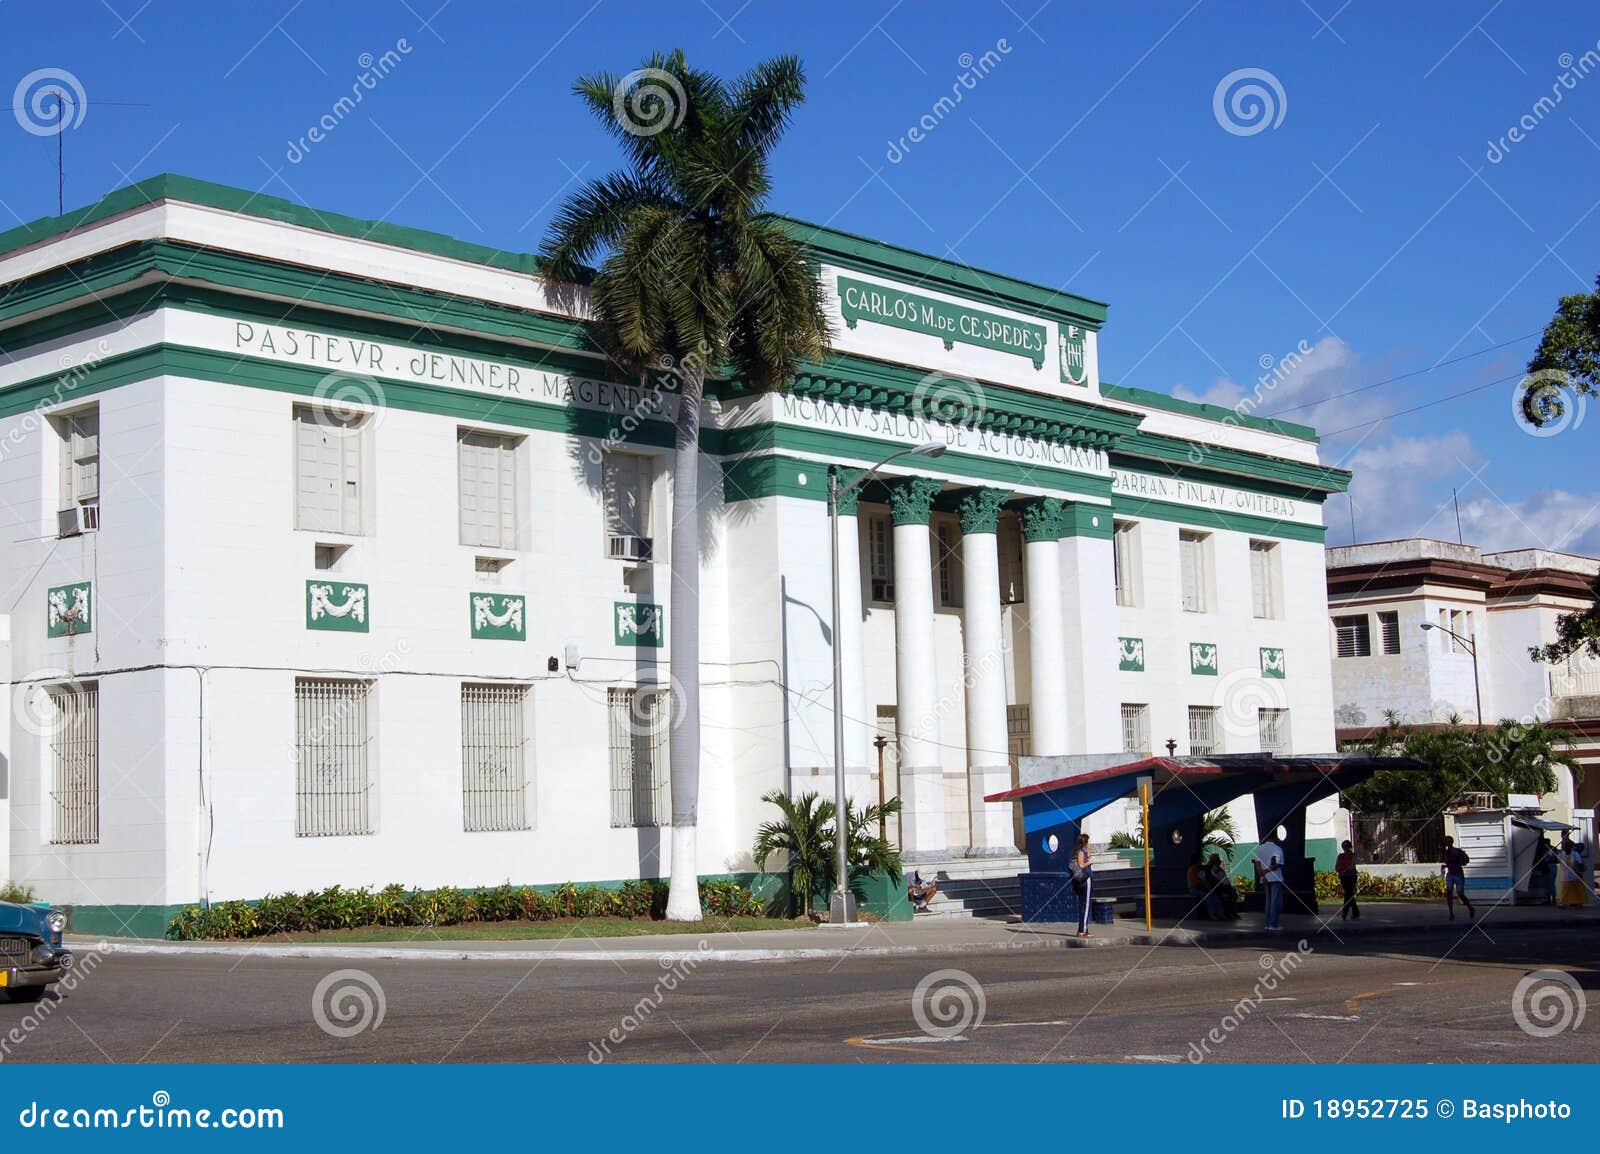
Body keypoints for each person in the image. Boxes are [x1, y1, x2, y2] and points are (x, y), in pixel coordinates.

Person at [1254, 832, 1286, 931]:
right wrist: (1267, 871)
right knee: (1275, 901)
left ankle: (1267, 924)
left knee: (1268, 901)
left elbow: (1257, 864)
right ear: (1275, 838)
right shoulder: (1277, 849)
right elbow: (1277, 864)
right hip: (1275, 877)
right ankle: (1273, 924)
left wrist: (1262, 874)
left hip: (1264, 878)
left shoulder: (1259, 848)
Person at [1441, 835, 1476, 921]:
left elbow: (1462, 862)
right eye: (1445, 841)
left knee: (1460, 894)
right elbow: (1449, 863)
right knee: (1449, 892)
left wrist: (1455, 863)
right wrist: (1445, 866)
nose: (1446, 843)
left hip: (1458, 874)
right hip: (1450, 874)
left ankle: (1470, 907)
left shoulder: (1457, 851)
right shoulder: (1446, 852)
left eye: (1447, 841)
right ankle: (1451, 913)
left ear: (1451, 842)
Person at [1187, 852, 1224, 920]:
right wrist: (1206, 886)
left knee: (1215, 896)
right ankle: (1212, 914)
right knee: (1208, 896)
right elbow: (1196, 882)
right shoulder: (1193, 869)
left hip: (1202, 888)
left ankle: (1220, 914)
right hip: (1194, 888)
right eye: (1200, 860)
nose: (1201, 861)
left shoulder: (1200, 868)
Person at [1071, 833, 1094, 938]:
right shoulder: (1081, 852)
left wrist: (1089, 855)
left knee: (1084, 905)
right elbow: (1081, 865)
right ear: (1085, 842)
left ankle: (1084, 929)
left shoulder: (1080, 851)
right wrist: (1089, 862)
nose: (1089, 844)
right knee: (1086, 905)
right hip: (1085, 879)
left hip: (1083, 880)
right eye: (1088, 842)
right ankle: (1082, 930)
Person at [1557, 834, 1589, 909]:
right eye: (1565, 846)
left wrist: (1578, 870)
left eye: (1567, 846)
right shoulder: (1561, 854)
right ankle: (1563, 903)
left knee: (1577, 889)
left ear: (1570, 847)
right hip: (1565, 875)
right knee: (1565, 889)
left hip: (1575, 874)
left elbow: (1580, 863)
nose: (1566, 848)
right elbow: (1558, 861)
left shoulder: (1575, 854)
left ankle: (1579, 902)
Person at [1206, 853, 1240, 919]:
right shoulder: (1210, 869)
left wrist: (1229, 886)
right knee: (1227, 895)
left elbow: (1225, 879)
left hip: (1225, 887)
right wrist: (1223, 887)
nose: (1219, 861)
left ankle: (1232, 912)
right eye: (1217, 859)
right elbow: (1213, 880)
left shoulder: (1220, 869)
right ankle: (1227, 913)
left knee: (1234, 893)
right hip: (1219, 888)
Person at [1334, 839, 1361, 921]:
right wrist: (1341, 870)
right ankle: (1355, 913)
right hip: (1343, 877)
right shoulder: (1340, 856)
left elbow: (1352, 866)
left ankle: (1345, 913)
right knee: (1349, 894)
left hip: (1351, 877)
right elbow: (1337, 867)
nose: (1346, 849)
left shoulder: (1353, 855)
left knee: (1348, 894)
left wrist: (1343, 870)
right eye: (1344, 847)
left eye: (1347, 847)